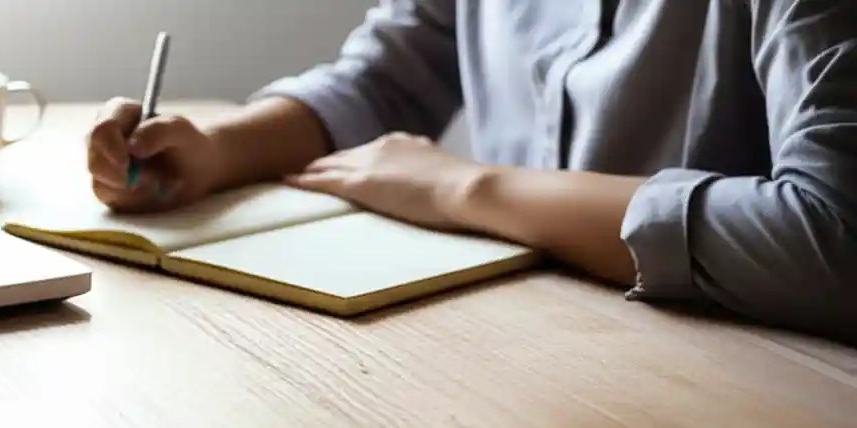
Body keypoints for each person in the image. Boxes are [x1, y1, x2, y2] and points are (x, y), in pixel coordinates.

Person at [85, 0, 857, 342]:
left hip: (734, 373)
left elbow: (834, 236)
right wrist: (221, 150)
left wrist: (469, 189)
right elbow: (388, 74)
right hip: (512, 342)